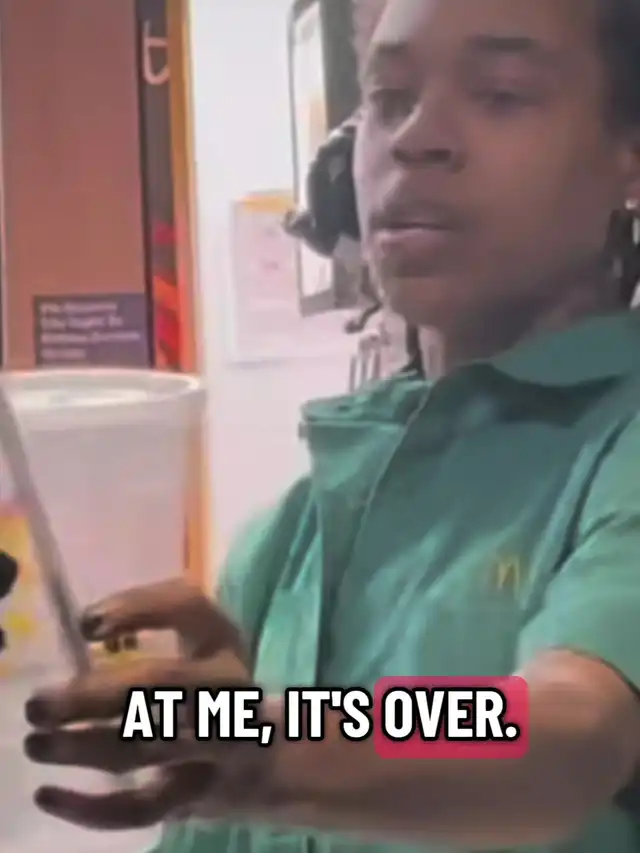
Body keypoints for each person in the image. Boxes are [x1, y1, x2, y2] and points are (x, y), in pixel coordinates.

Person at [21, 0, 640, 850]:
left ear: (627, 153)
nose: (416, 138)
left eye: (501, 92)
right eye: (389, 98)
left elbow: (565, 733)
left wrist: (274, 740)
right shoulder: (283, 541)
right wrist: (193, 734)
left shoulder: (618, 449)